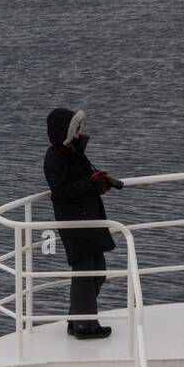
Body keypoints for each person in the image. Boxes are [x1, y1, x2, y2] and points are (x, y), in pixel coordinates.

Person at [43, 106, 124, 341]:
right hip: (75, 223)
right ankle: (85, 326)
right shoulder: (54, 158)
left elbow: (80, 181)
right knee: (86, 273)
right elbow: (61, 191)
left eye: (79, 128)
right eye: (75, 129)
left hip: (88, 219)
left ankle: (76, 319)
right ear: (64, 132)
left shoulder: (73, 153)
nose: (79, 133)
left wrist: (100, 182)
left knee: (97, 272)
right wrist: (91, 184)